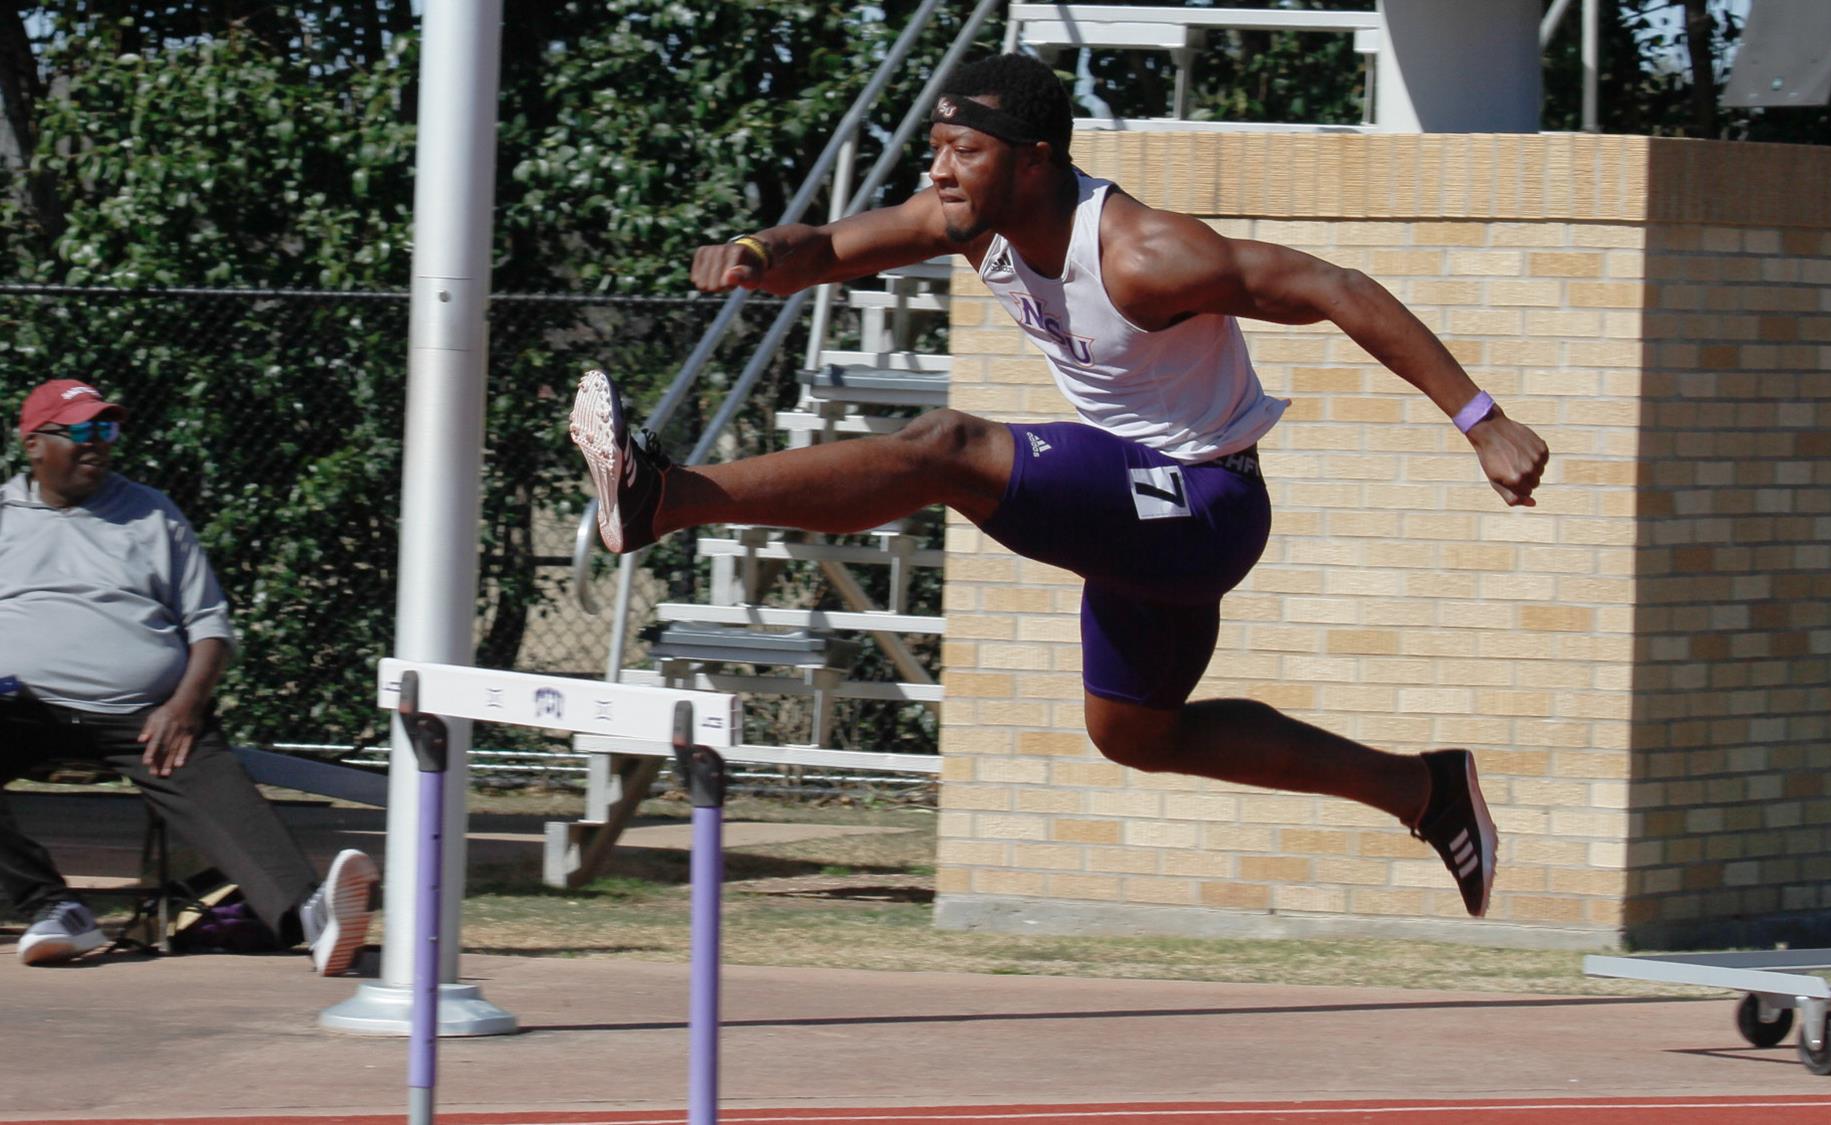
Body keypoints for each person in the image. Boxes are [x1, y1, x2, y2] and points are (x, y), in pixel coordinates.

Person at [569, 54, 1549, 917]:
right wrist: (750, 255)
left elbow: (1333, 287)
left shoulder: (1144, 255)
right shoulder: (964, 225)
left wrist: (1479, 420)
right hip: (1132, 508)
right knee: (1133, 732)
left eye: (962, 151)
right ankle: (1421, 791)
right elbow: (823, 248)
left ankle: (663, 498)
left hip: (1205, 505)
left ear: (1033, 157)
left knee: (946, 447)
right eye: (935, 149)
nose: (939, 172)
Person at [1, 379, 379, 970]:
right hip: (25, 707)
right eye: (79, 432)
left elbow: (209, 627)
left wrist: (185, 705)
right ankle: (57, 912)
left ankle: (315, 916)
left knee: (214, 785)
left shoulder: (151, 512)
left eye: (106, 429)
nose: (97, 444)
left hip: (146, 715)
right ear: (33, 445)